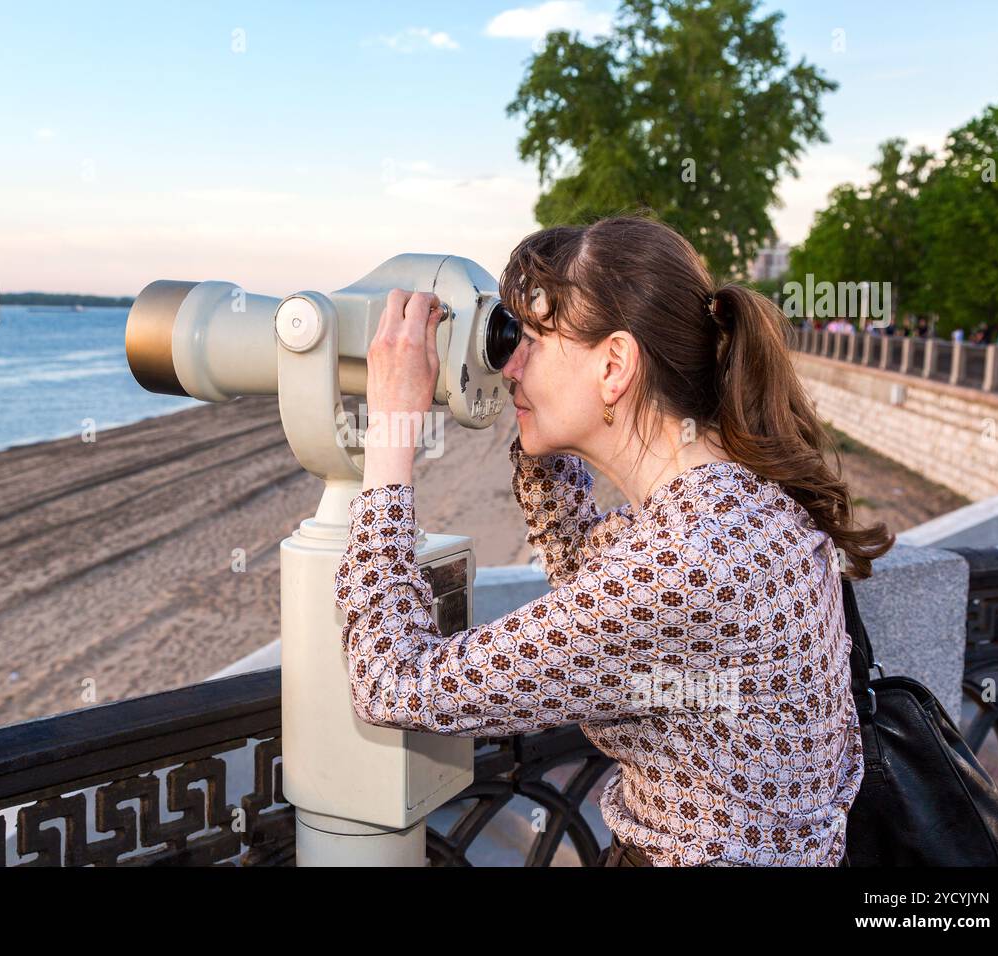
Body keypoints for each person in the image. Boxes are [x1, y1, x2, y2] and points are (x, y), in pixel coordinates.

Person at [334, 214, 894, 866]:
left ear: (615, 364)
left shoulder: (684, 563)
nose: (512, 364)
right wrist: (531, 414)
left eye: (533, 339)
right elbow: (587, 581)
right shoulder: (739, 502)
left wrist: (391, 437)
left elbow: (394, 684)